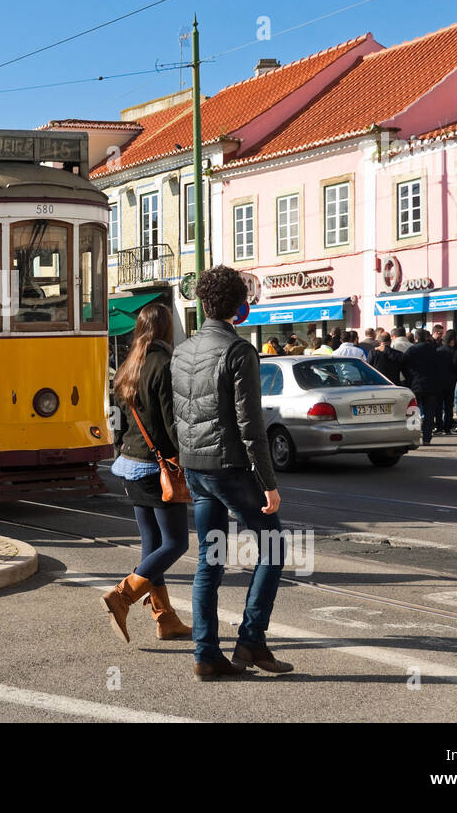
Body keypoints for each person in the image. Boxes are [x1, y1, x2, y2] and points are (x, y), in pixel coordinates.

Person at [172, 265, 289, 680]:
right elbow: (250, 424)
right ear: (239, 306)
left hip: (196, 468)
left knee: (210, 559)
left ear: (204, 303)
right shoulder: (238, 351)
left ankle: (206, 654)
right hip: (229, 467)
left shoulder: (182, 350)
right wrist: (268, 483)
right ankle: (251, 640)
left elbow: (178, 415)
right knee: (274, 545)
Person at [103, 302, 191, 643]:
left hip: (129, 462)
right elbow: (173, 421)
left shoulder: (128, 365)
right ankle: (122, 595)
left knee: (152, 544)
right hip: (158, 467)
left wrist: (118, 445)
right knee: (176, 542)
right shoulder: (165, 365)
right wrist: (184, 459)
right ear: (167, 330)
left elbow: (115, 414)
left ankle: (165, 618)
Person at [401, 330, 442, 445]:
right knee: (429, 413)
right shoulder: (433, 349)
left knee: (413, 411)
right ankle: (427, 438)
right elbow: (437, 366)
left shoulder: (412, 349)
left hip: (416, 384)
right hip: (431, 384)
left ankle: (413, 437)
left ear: (415, 338)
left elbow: (403, 363)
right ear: (426, 337)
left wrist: (409, 377)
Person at [436, 332, 457, 433]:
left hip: (439, 381)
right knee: (449, 406)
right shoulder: (454, 352)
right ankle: (447, 427)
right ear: (452, 341)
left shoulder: (437, 351)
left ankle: (439, 425)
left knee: (438, 405)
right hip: (451, 382)